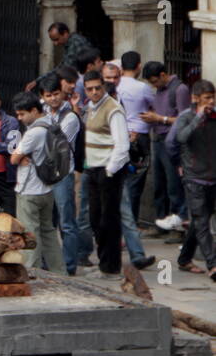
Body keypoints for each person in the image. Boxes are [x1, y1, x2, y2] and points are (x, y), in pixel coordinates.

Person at [37, 73, 91, 276]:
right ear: (43, 96)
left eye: (56, 94)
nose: (53, 99)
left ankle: (69, 265)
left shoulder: (71, 117)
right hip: (43, 176)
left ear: (62, 93)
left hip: (62, 175)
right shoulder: (42, 112)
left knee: (66, 222)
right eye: (49, 95)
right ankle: (47, 262)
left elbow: (56, 142)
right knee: (46, 222)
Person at [8, 91, 67, 274]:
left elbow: (13, 159)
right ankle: (59, 272)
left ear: (34, 110)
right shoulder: (51, 122)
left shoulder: (34, 132)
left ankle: (32, 272)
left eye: (22, 114)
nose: (19, 118)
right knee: (49, 233)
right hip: (46, 188)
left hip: (29, 190)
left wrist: (20, 155)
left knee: (31, 234)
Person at [82, 68, 129, 280]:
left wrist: (109, 170)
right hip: (92, 168)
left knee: (108, 219)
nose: (94, 92)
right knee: (95, 218)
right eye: (90, 89)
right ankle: (103, 262)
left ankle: (111, 267)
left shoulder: (113, 109)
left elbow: (122, 145)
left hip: (108, 171)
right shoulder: (90, 107)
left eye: (97, 88)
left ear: (103, 86)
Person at [113, 51, 157, 269]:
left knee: (124, 195)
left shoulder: (117, 86)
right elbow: (154, 105)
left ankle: (129, 244)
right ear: (139, 66)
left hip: (124, 140)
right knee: (133, 187)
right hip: (138, 137)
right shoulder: (142, 88)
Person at [172, 81, 216, 279]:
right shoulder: (186, 117)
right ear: (196, 98)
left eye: (213, 97)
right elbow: (179, 138)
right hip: (194, 178)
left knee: (200, 221)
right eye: (207, 98)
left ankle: (184, 258)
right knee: (202, 220)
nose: (211, 102)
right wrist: (198, 117)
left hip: (212, 176)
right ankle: (213, 263)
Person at [142, 60, 189, 230]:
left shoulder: (179, 89)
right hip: (157, 140)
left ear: (163, 75)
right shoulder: (159, 91)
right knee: (159, 185)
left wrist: (160, 119)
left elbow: (184, 119)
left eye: (155, 81)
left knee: (174, 186)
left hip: (171, 143)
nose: (154, 85)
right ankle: (161, 222)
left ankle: (179, 224)